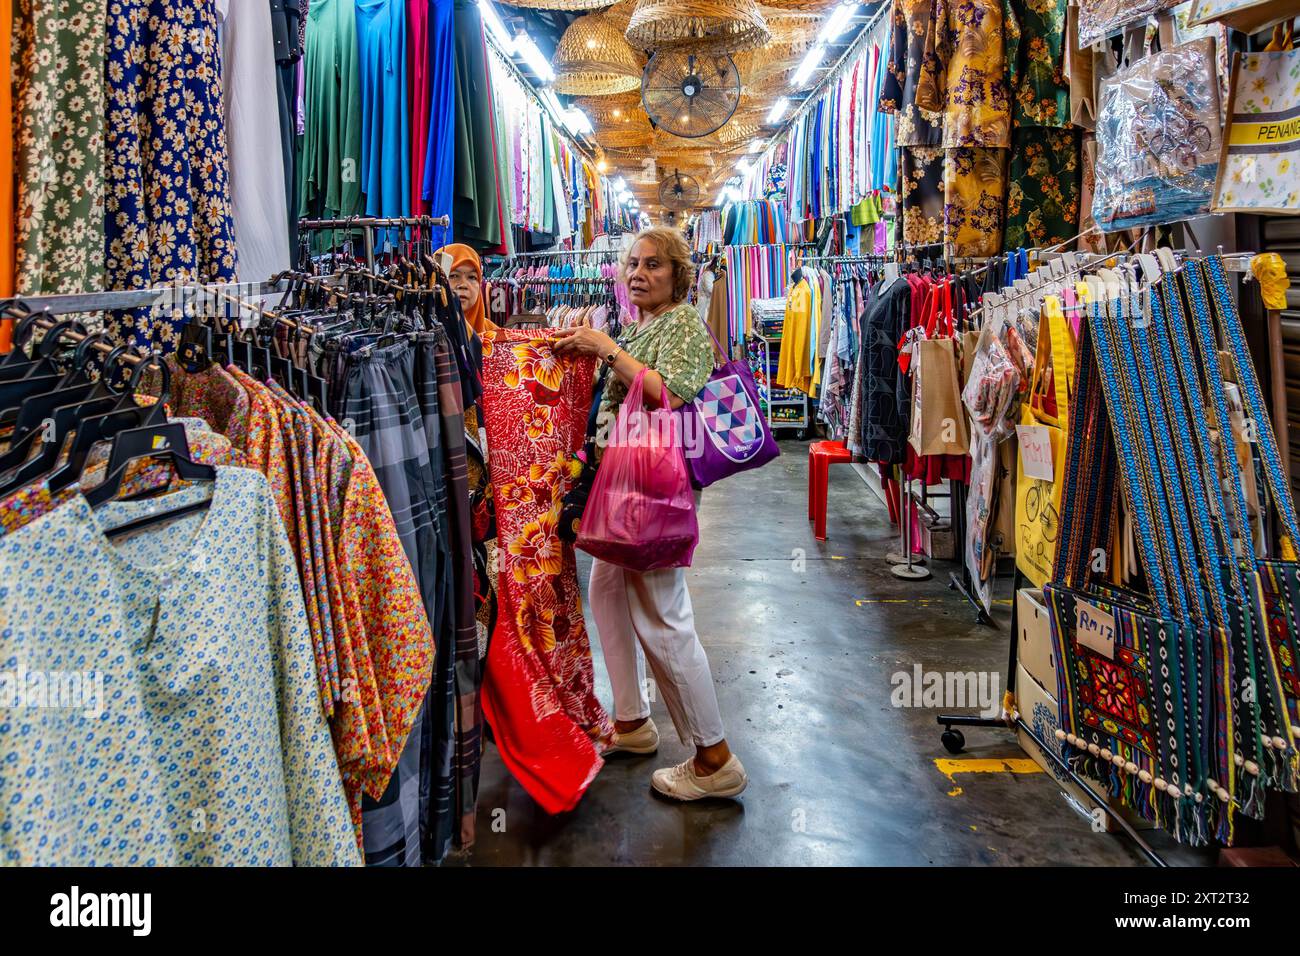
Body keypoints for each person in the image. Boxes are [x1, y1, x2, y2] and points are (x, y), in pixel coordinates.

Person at [552, 226, 747, 801]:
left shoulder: (681, 323)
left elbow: (675, 395)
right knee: (608, 590)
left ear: (678, 276)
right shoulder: (639, 324)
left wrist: (606, 351)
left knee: (663, 616)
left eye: (653, 265)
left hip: (655, 489)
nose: (638, 273)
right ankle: (633, 722)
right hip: (626, 484)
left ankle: (715, 758)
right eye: (632, 264)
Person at [437, 242, 495, 335]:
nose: (463, 285)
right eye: (453, 276)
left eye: (472, 277)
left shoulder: (495, 335)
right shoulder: (421, 334)